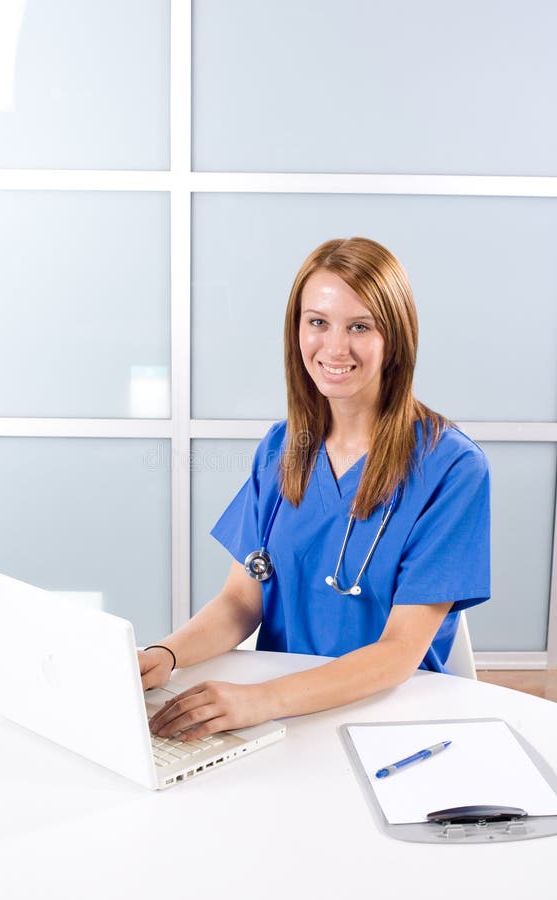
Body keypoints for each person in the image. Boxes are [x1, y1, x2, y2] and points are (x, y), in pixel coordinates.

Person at [139, 237, 490, 742]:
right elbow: (242, 601)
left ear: (396, 339)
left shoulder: (452, 468)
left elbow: (398, 651)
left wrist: (260, 701)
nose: (335, 347)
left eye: (360, 326)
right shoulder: (284, 447)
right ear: (296, 330)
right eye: (318, 322)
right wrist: (164, 655)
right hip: (282, 717)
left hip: (391, 721)